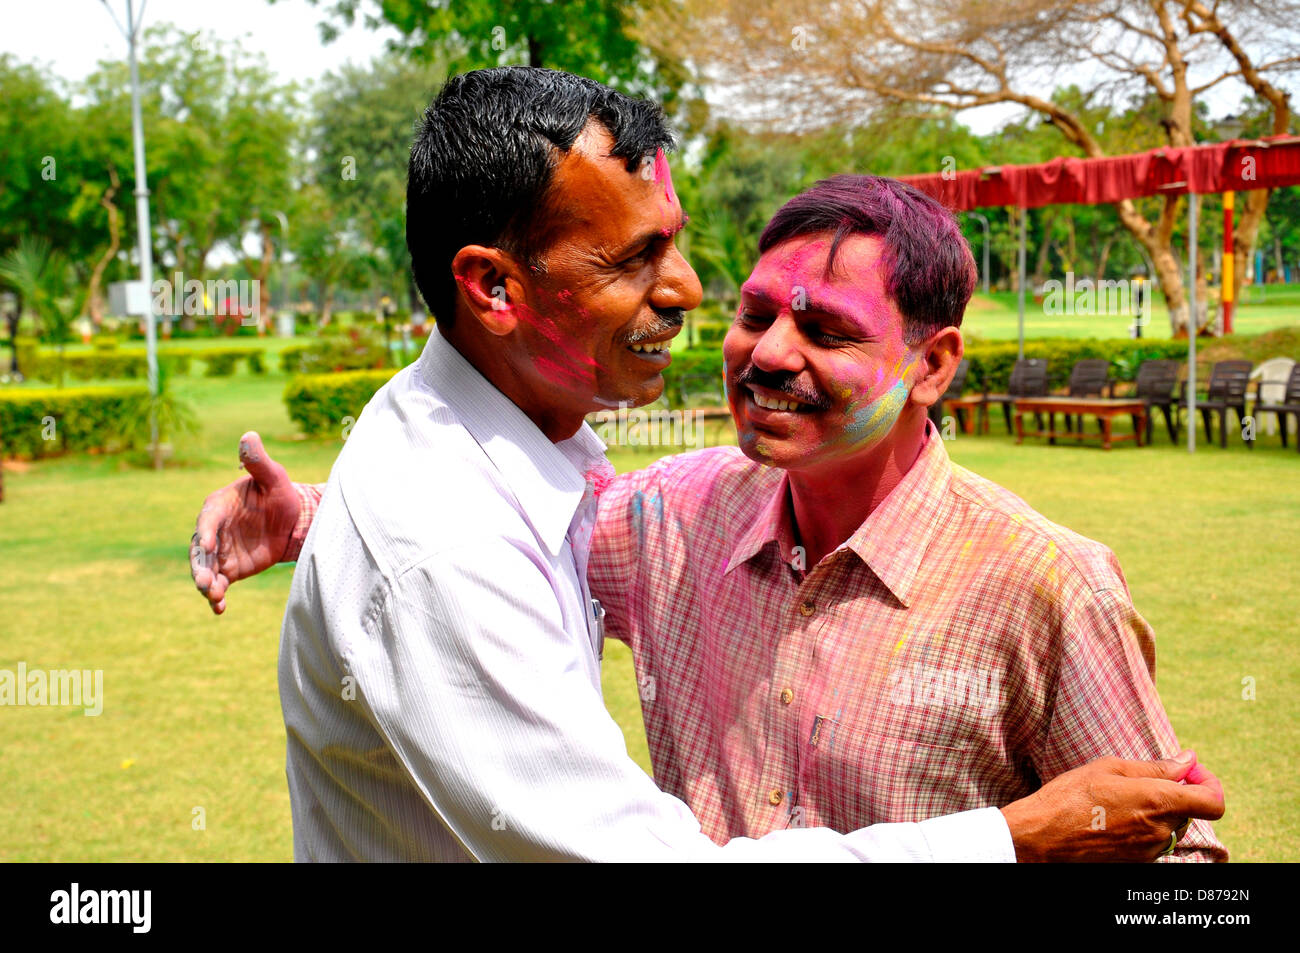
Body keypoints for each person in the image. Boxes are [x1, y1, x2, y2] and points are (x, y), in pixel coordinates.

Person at [191, 67, 1224, 861]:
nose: (761, 349)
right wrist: (1008, 840)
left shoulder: (1046, 585)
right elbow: (450, 556)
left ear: (933, 364)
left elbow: (1177, 860)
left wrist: (314, 514)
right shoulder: (676, 522)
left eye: (827, 330)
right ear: (493, 288)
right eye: (758, 313)